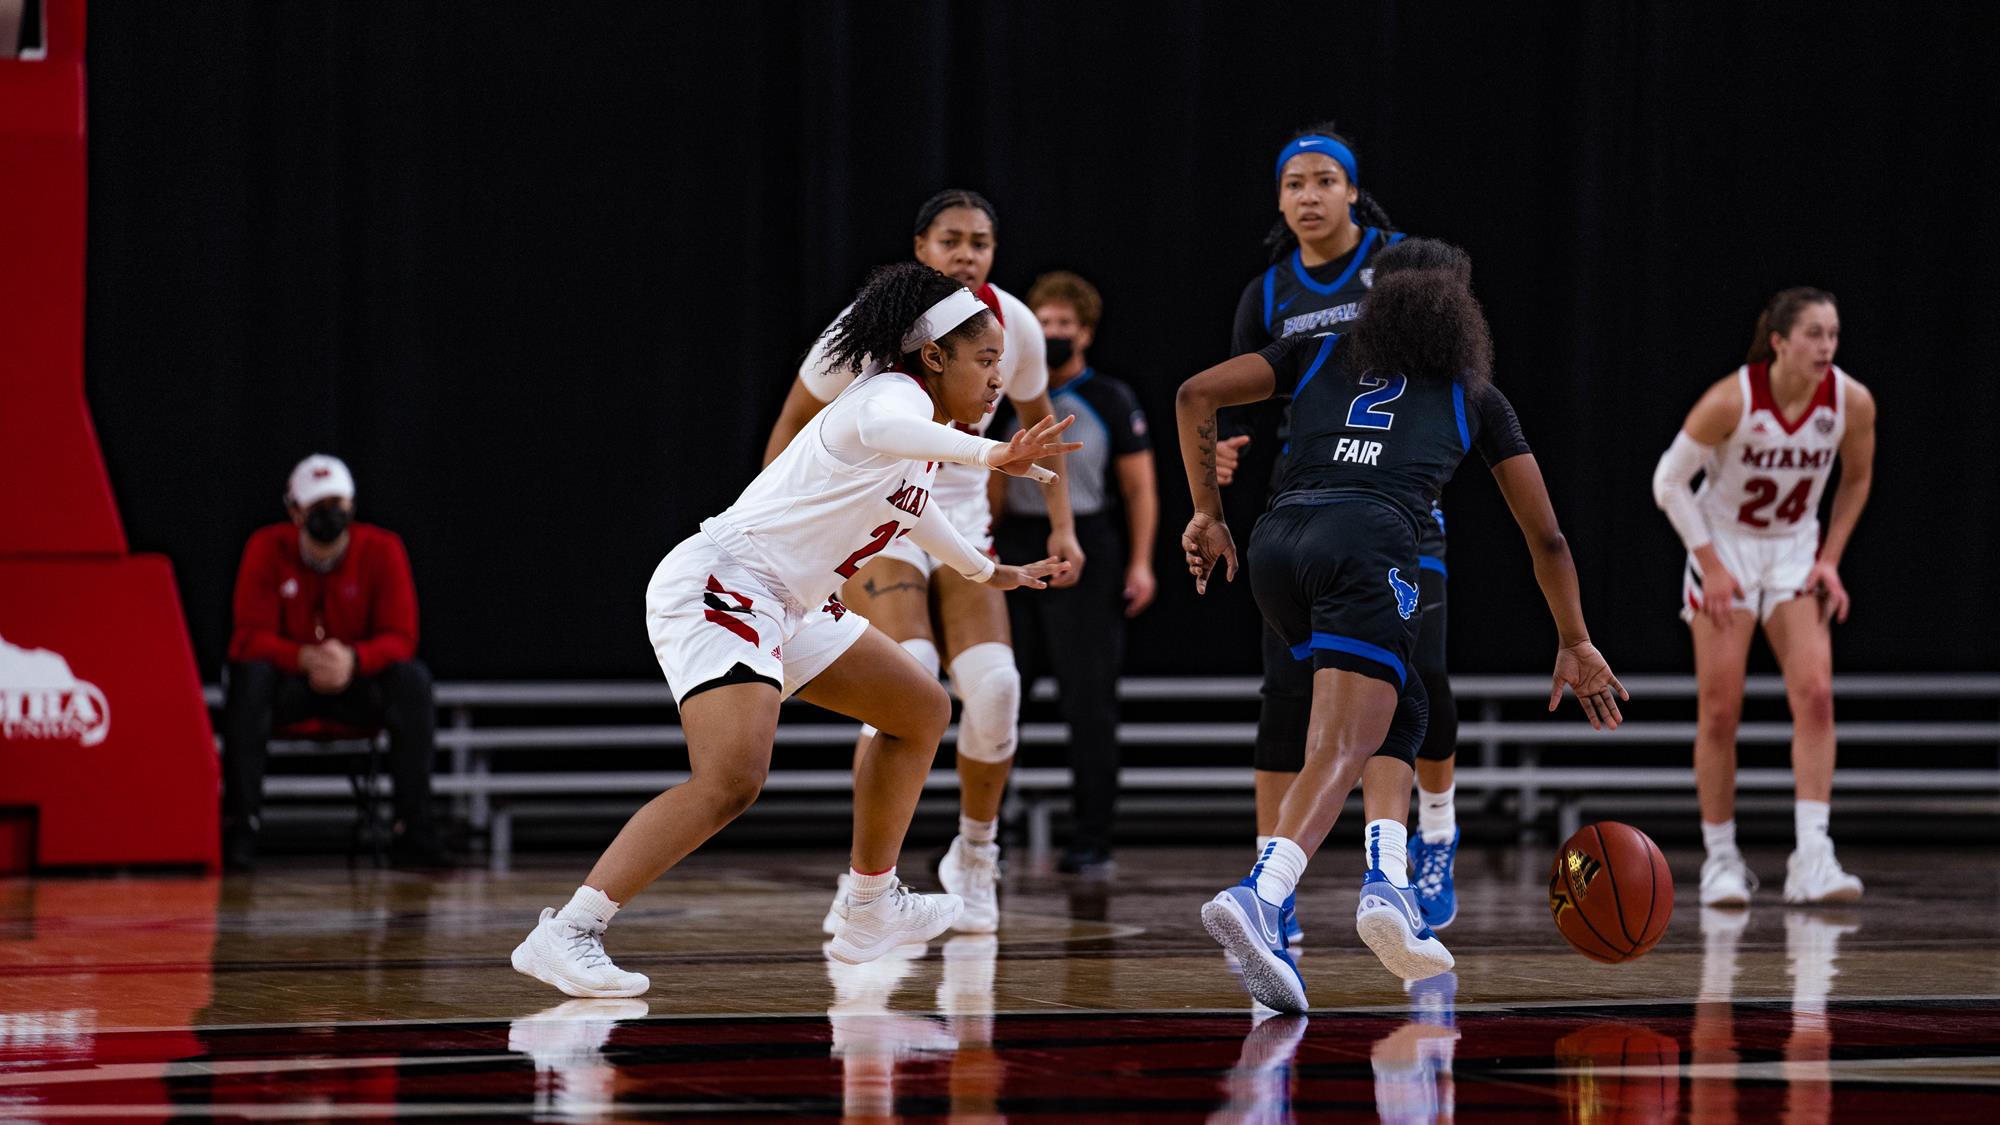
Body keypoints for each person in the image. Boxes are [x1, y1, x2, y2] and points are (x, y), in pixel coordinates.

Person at [511, 262, 1079, 998]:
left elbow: (916, 512)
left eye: (1002, 361)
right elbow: (884, 426)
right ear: (935, 356)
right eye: (986, 359)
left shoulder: (925, 432)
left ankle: (869, 904)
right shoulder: (888, 395)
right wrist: (993, 453)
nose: (999, 377)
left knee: (921, 708)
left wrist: (984, 572)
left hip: (793, 601)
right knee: (731, 779)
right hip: (724, 580)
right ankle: (569, 931)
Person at [1176, 238, 1626, 1012]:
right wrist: (1575, 636)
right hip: (1369, 541)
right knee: (1351, 737)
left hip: (1278, 546)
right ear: (1461, 308)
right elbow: (1546, 536)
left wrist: (1208, 515)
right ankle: (1263, 893)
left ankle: (1387, 884)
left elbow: (1193, 394)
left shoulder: (1313, 348)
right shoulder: (1473, 393)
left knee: (1398, 705)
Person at [763, 190, 1084, 933]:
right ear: (921, 248)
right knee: (906, 670)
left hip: (959, 516)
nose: (966, 253)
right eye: (951, 240)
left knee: (998, 688)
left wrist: (1061, 527)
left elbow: (1044, 429)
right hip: (878, 519)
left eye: (981, 241)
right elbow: (790, 423)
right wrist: (784, 536)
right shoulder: (866, 328)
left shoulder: (1018, 324)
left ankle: (975, 852)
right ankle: (873, 882)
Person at [1214, 125, 1471, 939]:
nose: (1309, 196)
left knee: (1419, 673)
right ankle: (1274, 882)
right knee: (1288, 695)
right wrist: (1220, 449)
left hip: (1401, 507)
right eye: (1293, 184)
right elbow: (1234, 396)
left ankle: (1432, 835)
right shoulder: (1268, 294)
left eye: (1324, 181)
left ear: (1353, 191)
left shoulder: (1402, 265)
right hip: (1308, 502)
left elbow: (1457, 373)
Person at [1651, 287, 1876, 908]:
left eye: (1833, 334)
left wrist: (1829, 560)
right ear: (1779, 341)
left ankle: (1813, 855)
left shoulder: (1851, 402)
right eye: (1814, 335)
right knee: (1721, 711)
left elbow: (1856, 479)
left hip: (1793, 550)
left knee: (1818, 696)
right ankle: (1722, 859)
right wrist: (1711, 565)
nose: (1827, 347)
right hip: (1725, 546)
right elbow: (1668, 481)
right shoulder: (1733, 398)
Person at [986, 270, 1158, 874]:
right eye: (1045, 324)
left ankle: (1091, 837)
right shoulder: (1000, 393)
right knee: (997, 694)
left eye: (1064, 325)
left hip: (1089, 542)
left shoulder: (1109, 397)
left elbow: (1139, 489)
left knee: (1089, 701)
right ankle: (983, 837)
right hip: (1015, 542)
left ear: (1084, 332)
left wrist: (1140, 563)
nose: (1054, 334)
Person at [220, 454, 444, 870]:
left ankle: (415, 831)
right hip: (291, 685)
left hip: (355, 683)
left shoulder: (382, 549)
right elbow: (248, 638)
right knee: (248, 679)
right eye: (317, 506)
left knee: (412, 680)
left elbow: (401, 637)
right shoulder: (266, 547)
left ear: (352, 506)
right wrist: (303, 657)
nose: (330, 515)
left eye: (337, 504)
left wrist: (353, 659)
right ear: (294, 511)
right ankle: (241, 829)